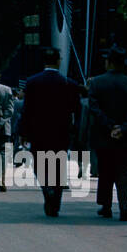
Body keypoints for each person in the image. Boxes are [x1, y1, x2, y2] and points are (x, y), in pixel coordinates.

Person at [20, 47, 82, 217]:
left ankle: (47, 188)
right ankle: (55, 203)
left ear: (44, 61)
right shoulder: (70, 84)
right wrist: (75, 130)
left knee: (40, 164)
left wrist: (23, 132)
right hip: (62, 132)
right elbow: (77, 110)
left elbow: (26, 110)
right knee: (59, 166)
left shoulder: (32, 82)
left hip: (38, 132)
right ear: (58, 61)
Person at [87, 45, 127, 221]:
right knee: (124, 172)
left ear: (109, 62)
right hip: (125, 138)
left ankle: (106, 206)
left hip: (104, 136)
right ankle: (124, 207)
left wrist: (111, 126)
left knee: (105, 172)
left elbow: (94, 108)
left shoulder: (97, 82)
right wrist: (123, 127)